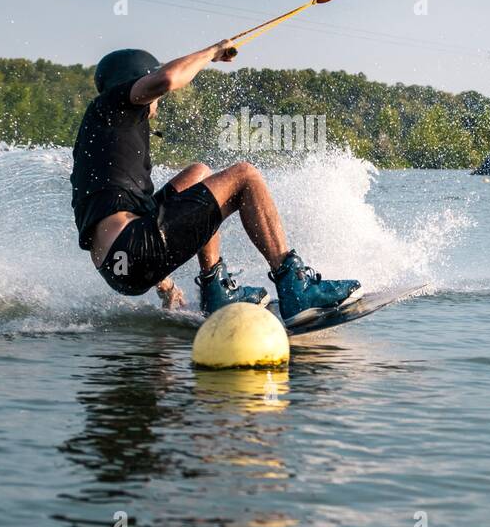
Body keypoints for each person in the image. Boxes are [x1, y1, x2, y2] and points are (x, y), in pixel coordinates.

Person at [70, 41, 359, 325]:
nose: (158, 101)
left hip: (118, 265)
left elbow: (116, 233)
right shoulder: (114, 103)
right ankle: (297, 289)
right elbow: (168, 78)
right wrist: (212, 53)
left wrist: (167, 286)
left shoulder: (102, 135)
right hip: (133, 247)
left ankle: (215, 290)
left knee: (198, 174)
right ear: (137, 81)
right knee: (245, 176)